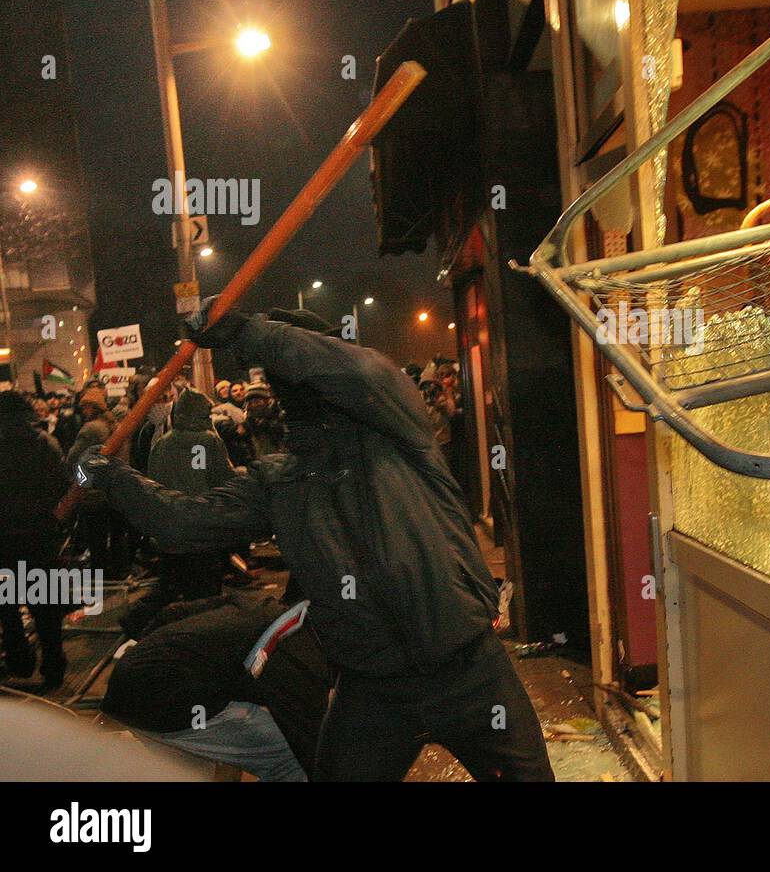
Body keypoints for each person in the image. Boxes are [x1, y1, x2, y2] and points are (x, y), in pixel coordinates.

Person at [77, 302, 553, 781]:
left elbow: (358, 371)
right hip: (374, 690)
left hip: (470, 670)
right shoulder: (282, 480)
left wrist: (249, 333)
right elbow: (181, 523)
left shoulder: (398, 430)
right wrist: (110, 477)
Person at [104, 592, 331, 782]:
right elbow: (309, 743)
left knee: (202, 766)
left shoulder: (258, 605)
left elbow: (172, 612)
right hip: (168, 702)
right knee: (287, 758)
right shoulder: (298, 656)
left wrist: (157, 652)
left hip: (129, 685)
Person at [121, 389, 237, 637]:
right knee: (205, 588)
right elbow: (222, 479)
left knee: (172, 582)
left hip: (169, 526)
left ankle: (137, 617)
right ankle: (203, 634)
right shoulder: (208, 441)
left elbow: (152, 484)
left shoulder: (162, 444)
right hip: (200, 526)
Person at [0, 391, 68, 689]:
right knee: (45, 606)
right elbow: (62, 484)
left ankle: (19, 658)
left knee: (7, 603)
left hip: (3, 538)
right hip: (39, 536)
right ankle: (53, 667)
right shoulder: (45, 443)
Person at [68, 384, 129, 579]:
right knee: (118, 535)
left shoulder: (91, 429)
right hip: (117, 489)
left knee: (97, 537)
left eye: (85, 406)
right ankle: (120, 571)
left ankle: (99, 574)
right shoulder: (116, 426)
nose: (83, 410)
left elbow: (73, 457)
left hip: (96, 492)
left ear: (92, 407)